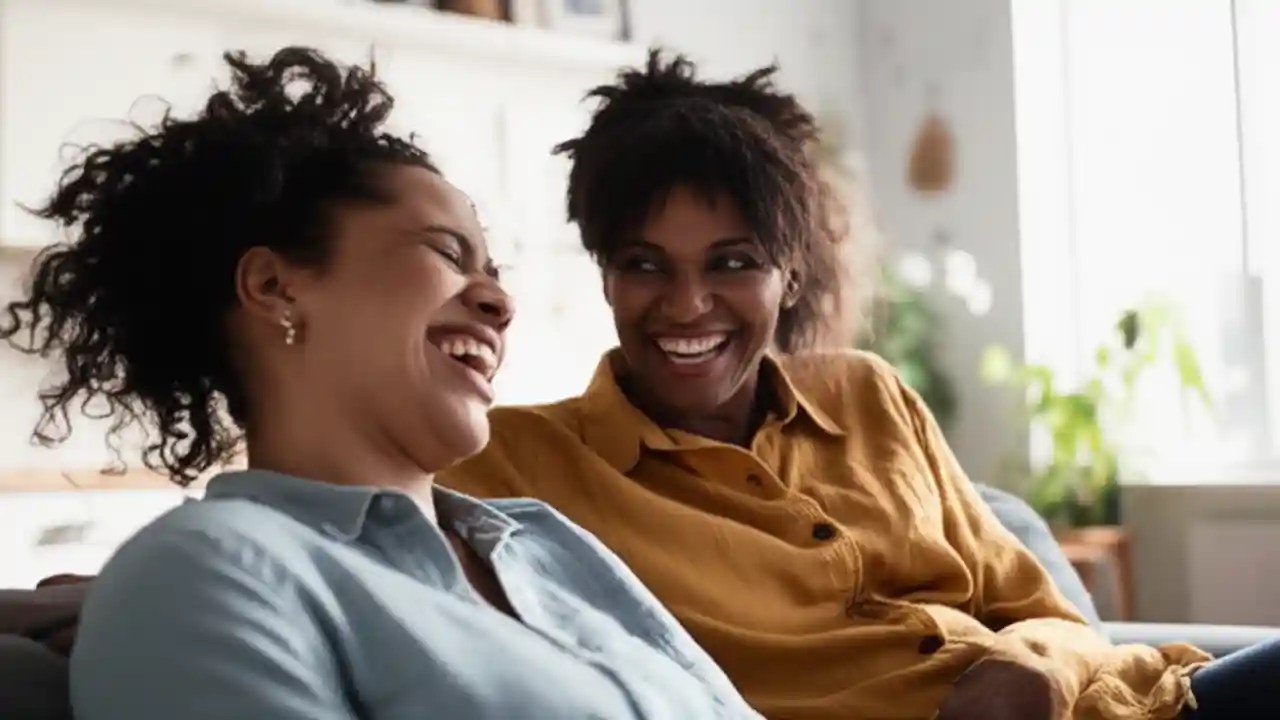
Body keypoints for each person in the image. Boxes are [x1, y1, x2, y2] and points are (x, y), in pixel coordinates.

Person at [440, 51, 1280, 719]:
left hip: (1147, 704)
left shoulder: (867, 393)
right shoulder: (511, 461)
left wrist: (1030, 672)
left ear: (790, 278)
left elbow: (1048, 615)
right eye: (644, 266)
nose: (686, 304)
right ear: (606, 279)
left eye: (732, 264)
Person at [0, 47, 760, 720]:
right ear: (275, 286)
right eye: (447, 252)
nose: (499, 303)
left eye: (494, 272)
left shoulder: (542, 543)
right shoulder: (203, 572)